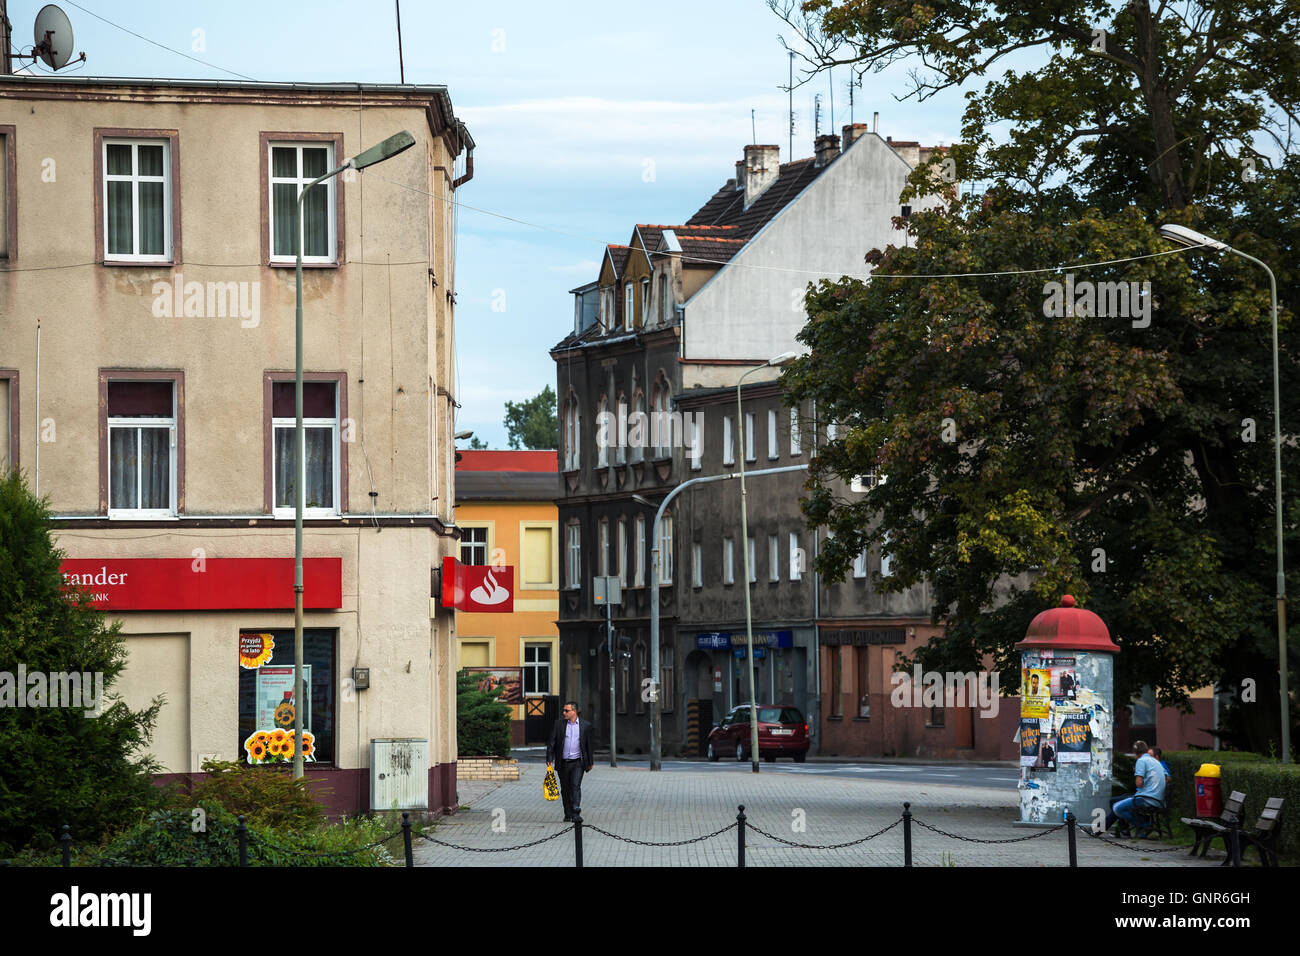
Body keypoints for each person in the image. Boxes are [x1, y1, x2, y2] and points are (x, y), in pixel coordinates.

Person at [1105, 741, 1166, 838]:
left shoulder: (1141, 761)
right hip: (1158, 799)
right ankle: (1122, 830)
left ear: (1135, 752)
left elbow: (1139, 783)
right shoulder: (1155, 761)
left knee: (1117, 807)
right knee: (1114, 801)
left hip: (1146, 798)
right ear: (1146, 749)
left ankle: (1145, 824)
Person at [546, 700, 594, 822]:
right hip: (563, 762)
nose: (564, 713)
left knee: (575, 786)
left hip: (578, 762)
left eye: (566, 711)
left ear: (574, 711)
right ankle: (567, 813)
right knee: (565, 789)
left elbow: (589, 745)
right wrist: (549, 758)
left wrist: (590, 762)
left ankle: (576, 810)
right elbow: (552, 742)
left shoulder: (585, 725)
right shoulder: (559, 724)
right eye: (564, 710)